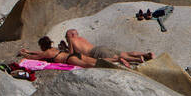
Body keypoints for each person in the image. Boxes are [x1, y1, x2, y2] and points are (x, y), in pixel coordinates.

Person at [20, 31, 152, 68]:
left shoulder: (49, 52)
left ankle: (117, 60)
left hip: (71, 59)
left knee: (94, 65)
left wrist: (25, 55)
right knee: (95, 61)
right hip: (86, 53)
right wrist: (28, 51)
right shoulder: (53, 49)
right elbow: (39, 53)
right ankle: (119, 59)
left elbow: (37, 57)